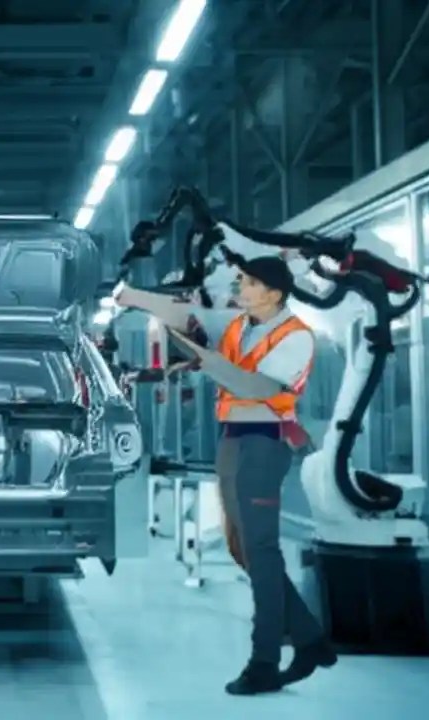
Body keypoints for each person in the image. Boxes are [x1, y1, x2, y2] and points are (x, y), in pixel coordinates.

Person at [118, 255, 337, 695]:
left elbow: (253, 387)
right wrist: (131, 296)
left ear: (274, 293)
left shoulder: (295, 338)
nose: (241, 287)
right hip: (233, 439)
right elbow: (190, 315)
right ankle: (311, 639)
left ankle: (264, 660)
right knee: (242, 549)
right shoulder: (240, 324)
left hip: (264, 443)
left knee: (262, 549)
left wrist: (202, 358)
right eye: (240, 280)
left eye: (250, 282)